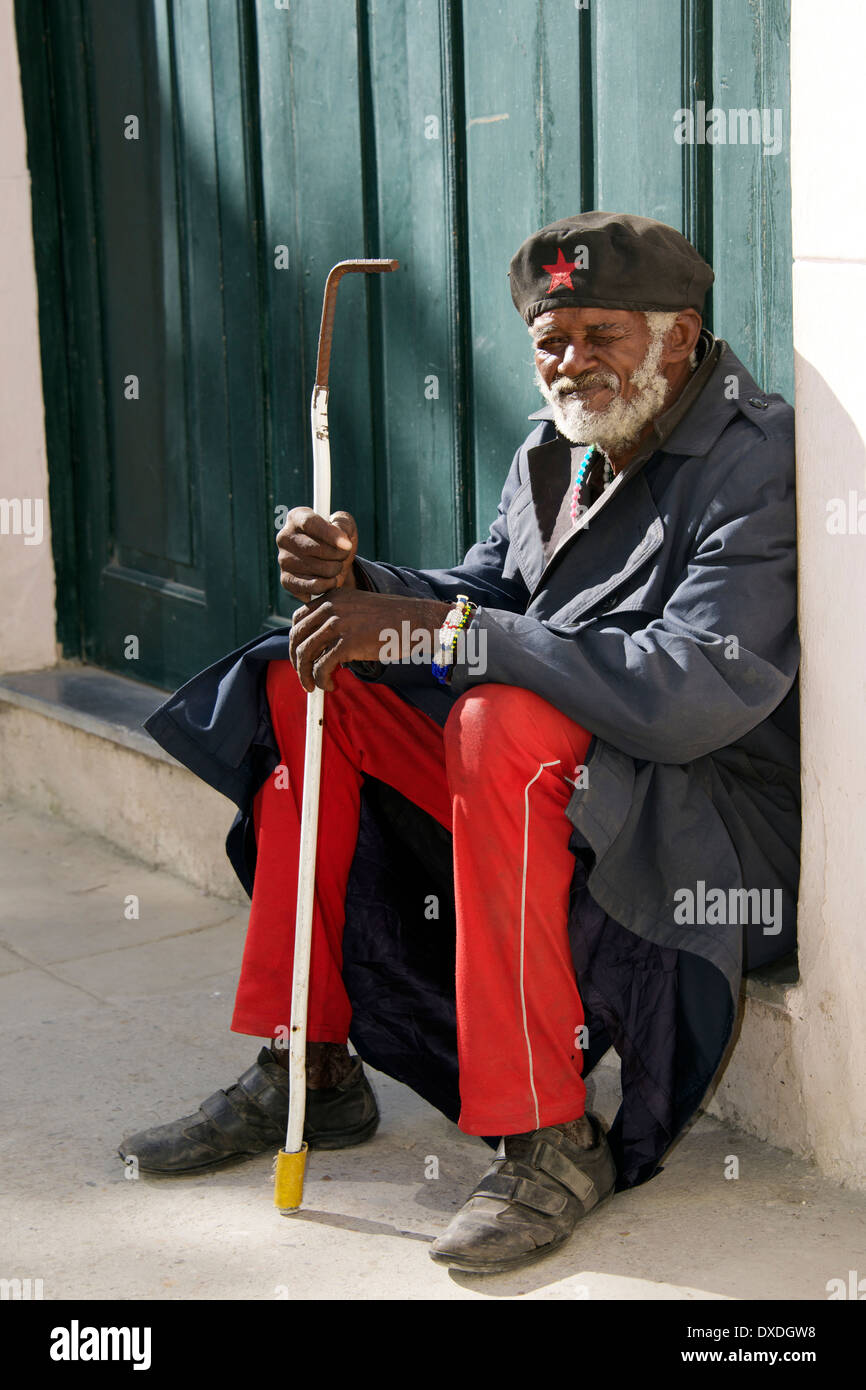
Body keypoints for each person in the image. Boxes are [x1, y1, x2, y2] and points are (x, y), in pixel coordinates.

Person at [120, 212, 799, 1276]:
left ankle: (543, 1133)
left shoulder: (756, 461)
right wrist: (363, 585)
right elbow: (485, 595)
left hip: (698, 824)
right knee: (311, 681)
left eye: (600, 336)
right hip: (563, 782)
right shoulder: (555, 447)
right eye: (550, 340)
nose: (570, 363)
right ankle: (309, 1065)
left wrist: (450, 633)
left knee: (497, 718)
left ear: (676, 336)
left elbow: (692, 690)